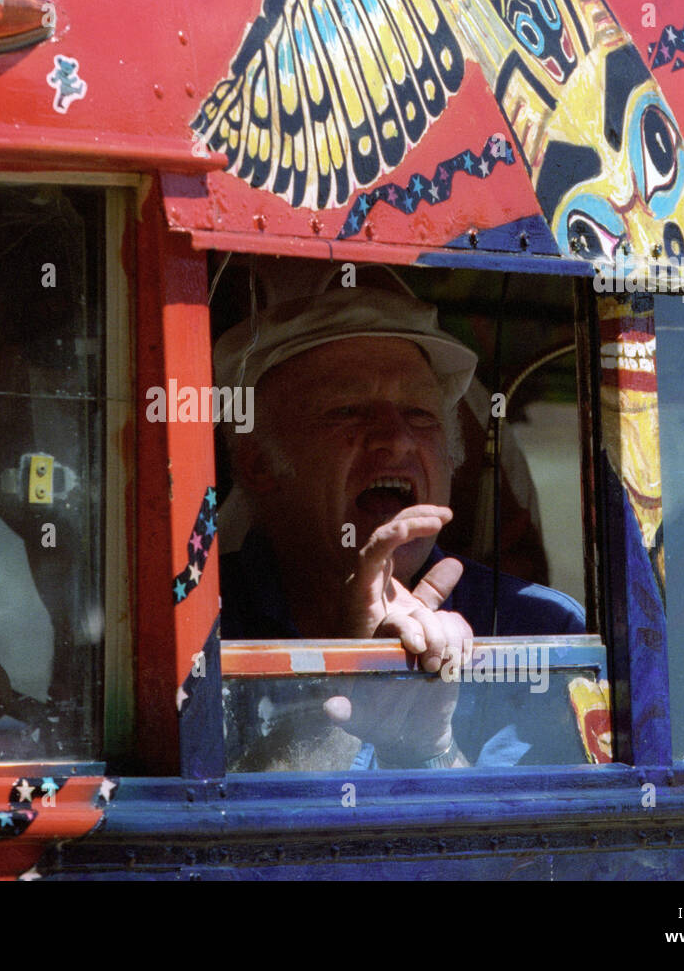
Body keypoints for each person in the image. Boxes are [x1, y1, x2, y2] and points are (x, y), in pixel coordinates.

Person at [213, 279, 585, 769]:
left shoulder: (538, 631)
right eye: (346, 410)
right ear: (259, 463)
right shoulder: (200, 623)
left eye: (420, 413)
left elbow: (539, 842)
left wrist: (427, 748)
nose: (398, 439)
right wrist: (338, 707)